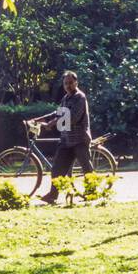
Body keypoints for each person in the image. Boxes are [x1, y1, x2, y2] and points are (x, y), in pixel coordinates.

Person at [36, 71, 93, 204]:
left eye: (71, 83)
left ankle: (92, 192)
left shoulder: (80, 97)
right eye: (66, 83)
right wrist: (42, 119)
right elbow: (58, 113)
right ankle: (53, 195)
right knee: (57, 168)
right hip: (66, 140)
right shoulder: (65, 98)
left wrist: (54, 123)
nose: (68, 85)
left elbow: (73, 117)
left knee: (86, 168)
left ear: (76, 83)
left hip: (80, 139)